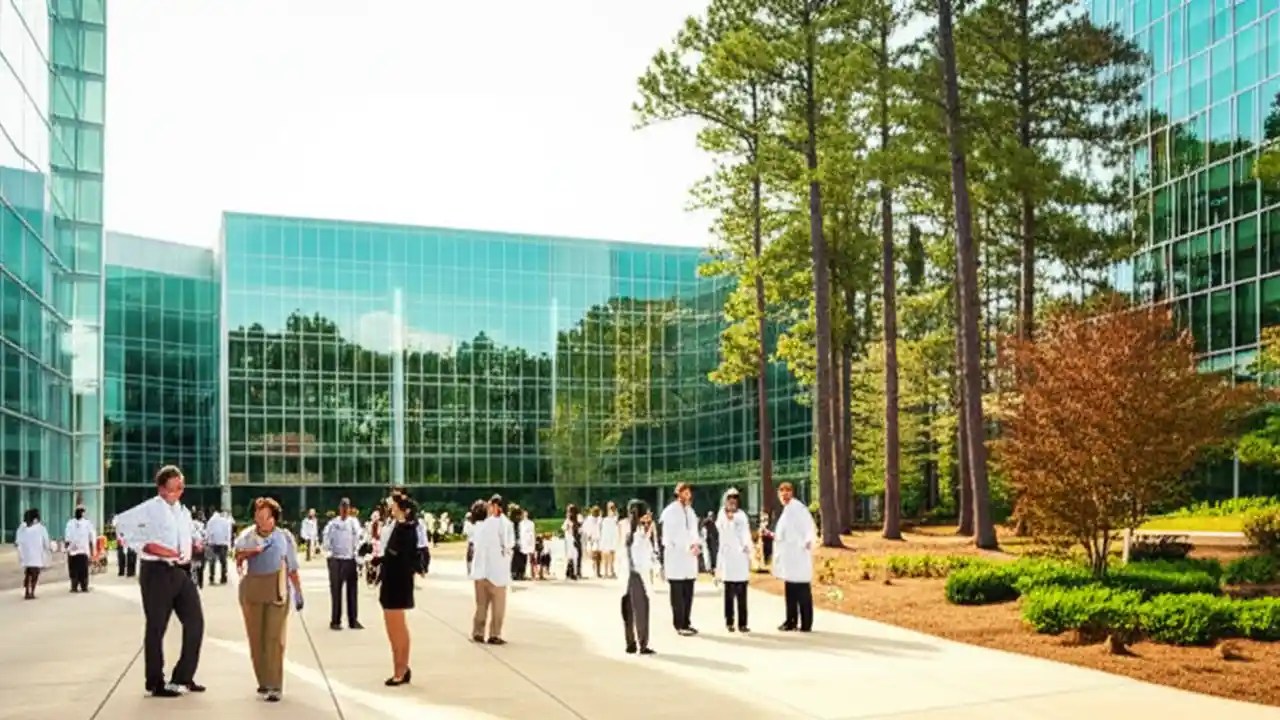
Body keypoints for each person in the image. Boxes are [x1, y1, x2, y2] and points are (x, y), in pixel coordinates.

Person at [112, 464, 206, 697]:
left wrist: (193, 545)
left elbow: (184, 535)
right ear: (162, 488)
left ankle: (183, 676)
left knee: (195, 623)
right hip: (157, 572)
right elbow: (121, 524)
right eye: (175, 487)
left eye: (182, 486)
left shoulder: (182, 511)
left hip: (181, 572)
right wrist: (150, 547)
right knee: (156, 627)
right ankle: (155, 681)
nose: (179, 491)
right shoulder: (150, 509)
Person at [234, 498, 304, 702]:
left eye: (264, 517)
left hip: (277, 589)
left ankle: (275, 684)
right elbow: (237, 557)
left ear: (274, 519)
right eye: (257, 516)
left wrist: (298, 592)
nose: (260, 520)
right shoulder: (247, 536)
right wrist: (250, 552)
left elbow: (292, 568)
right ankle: (263, 682)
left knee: (274, 638)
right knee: (256, 638)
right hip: (253, 589)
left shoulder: (284, 538)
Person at [371, 491, 421, 686]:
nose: (391, 507)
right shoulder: (394, 526)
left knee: (397, 627)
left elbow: (403, 556)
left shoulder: (407, 529)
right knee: (391, 627)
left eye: (394, 505)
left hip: (398, 581)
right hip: (390, 579)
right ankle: (399, 667)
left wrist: (383, 558)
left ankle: (401, 668)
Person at [470, 494, 514, 645]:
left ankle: (478, 632)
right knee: (497, 606)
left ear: (496, 507)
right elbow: (509, 546)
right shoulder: (505, 525)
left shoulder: (481, 526)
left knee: (482, 605)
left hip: (483, 571)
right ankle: (494, 633)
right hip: (497, 572)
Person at [773, 482, 816, 632]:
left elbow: (809, 528)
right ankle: (790, 620)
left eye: (787, 492)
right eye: (782, 493)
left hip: (798, 556)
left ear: (792, 493)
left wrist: (808, 541)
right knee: (790, 591)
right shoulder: (786, 511)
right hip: (789, 559)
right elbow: (784, 534)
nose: (784, 495)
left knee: (802, 591)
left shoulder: (799, 509)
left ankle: (806, 623)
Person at [659, 482, 700, 636]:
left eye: (689, 493)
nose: (688, 496)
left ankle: (686, 622)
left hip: (689, 559)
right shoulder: (670, 512)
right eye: (685, 493)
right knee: (677, 593)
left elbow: (695, 531)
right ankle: (679, 624)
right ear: (679, 494)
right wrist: (685, 545)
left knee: (688, 592)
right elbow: (669, 537)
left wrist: (696, 544)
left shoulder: (691, 511)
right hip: (676, 557)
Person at [619, 499, 656, 655]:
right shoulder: (639, 532)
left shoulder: (623, 526)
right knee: (641, 610)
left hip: (625, 574)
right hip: (637, 574)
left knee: (628, 611)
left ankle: (630, 642)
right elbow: (644, 556)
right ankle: (643, 643)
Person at [322, 498, 364, 630]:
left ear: (349, 508)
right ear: (339, 508)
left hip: (350, 559)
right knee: (336, 592)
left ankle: (353, 620)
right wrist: (328, 554)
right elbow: (326, 538)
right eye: (342, 507)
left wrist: (358, 557)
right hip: (336, 560)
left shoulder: (354, 523)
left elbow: (359, 538)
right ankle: (335, 621)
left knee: (352, 592)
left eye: (347, 507)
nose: (345, 509)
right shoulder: (333, 523)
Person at [716, 489, 752, 633]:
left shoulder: (742, 515)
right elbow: (721, 529)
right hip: (728, 559)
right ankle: (729, 621)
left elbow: (746, 533)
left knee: (742, 593)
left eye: (734, 500)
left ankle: (742, 623)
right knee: (729, 594)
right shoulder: (721, 515)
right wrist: (728, 519)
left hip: (741, 559)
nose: (732, 502)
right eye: (729, 500)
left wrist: (748, 548)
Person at [16, 508, 52, 600]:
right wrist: (49, 549)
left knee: (28, 573)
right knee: (35, 574)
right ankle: (31, 592)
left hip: (26, 556)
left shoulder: (22, 528)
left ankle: (27, 591)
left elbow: (17, 541)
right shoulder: (40, 528)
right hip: (36, 556)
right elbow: (46, 542)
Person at [64, 506, 96, 593]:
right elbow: (91, 538)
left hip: (78, 551)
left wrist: (66, 548)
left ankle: (78, 586)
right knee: (79, 570)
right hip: (79, 551)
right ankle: (79, 586)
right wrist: (92, 550)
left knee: (78, 570)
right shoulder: (85, 523)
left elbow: (67, 538)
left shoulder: (72, 523)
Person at [205, 509, 233, 585]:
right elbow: (228, 534)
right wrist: (229, 545)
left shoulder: (210, 521)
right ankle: (223, 578)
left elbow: (207, 532)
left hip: (212, 544)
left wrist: (207, 541)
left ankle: (211, 578)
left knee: (212, 562)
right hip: (223, 543)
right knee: (223, 562)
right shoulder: (225, 521)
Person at [462, 500, 485, 575]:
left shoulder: (469, 524)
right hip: (478, 543)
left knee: (470, 557)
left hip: (472, 542)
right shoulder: (486, 524)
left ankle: (470, 570)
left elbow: (466, 533)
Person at [599, 502, 620, 579]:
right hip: (606, 538)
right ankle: (605, 572)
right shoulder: (604, 519)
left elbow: (617, 524)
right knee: (605, 556)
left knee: (612, 555)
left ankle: (611, 571)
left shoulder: (615, 518)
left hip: (613, 538)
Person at [562, 505, 582, 580]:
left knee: (574, 556)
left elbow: (579, 530)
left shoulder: (577, 520)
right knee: (571, 556)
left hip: (574, 539)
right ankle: (571, 572)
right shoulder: (568, 520)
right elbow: (564, 528)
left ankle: (573, 572)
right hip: (570, 539)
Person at [516, 508, 536, 580]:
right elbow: (520, 533)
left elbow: (533, 533)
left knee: (531, 559)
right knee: (523, 559)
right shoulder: (521, 524)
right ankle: (523, 573)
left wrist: (532, 542)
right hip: (523, 542)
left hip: (529, 541)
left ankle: (532, 573)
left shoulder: (531, 523)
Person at [190, 510, 207, 590]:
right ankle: (200, 583)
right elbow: (205, 536)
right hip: (200, 547)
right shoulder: (201, 525)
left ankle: (193, 582)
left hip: (191, 547)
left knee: (192, 564)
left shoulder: (187, 524)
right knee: (200, 566)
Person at [583, 506, 602, 577]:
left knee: (598, 556)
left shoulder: (600, 519)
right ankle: (596, 569)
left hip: (598, 539)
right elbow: (586, 528)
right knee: (594, 556)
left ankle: (597, 571)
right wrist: (588, 535)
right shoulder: (589, 519)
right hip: (592, 539)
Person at [701, 510, 719, 575]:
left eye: (712, 516)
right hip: (706, 541)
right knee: (706, 554)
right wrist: (708, 519)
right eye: (710, 516)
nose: (712, 517)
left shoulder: (715, 524)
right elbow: (703, 524)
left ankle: (714, 567)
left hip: (712, 541)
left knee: (714, 554)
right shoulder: (705, 522)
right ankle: (708, 569)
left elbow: (717, 534)